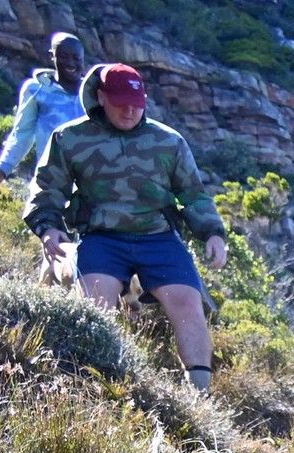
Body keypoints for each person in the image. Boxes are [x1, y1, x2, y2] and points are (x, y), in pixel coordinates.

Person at [23, 63, 228, 392]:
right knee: (95, 301)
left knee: (187, 302)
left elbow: (193, 195)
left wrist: (213, 233)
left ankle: (199, 395)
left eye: (137, 102)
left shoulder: (169, 141)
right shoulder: (70, 138)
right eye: (120, 102)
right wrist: (48, 226)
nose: (130, 110)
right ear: (101, 97)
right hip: (102, 237)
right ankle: (90, 385)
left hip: (158, 238)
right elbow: (47, 190)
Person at [0, 31, 86, 193]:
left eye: (76, 58)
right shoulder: (36, 90)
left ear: (83, 60)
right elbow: (22, 134)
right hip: (48, 186)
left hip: (90, 189)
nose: (70, 63)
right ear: (52, 56)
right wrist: (3, 168)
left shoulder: (94, 94)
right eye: (63, 56)